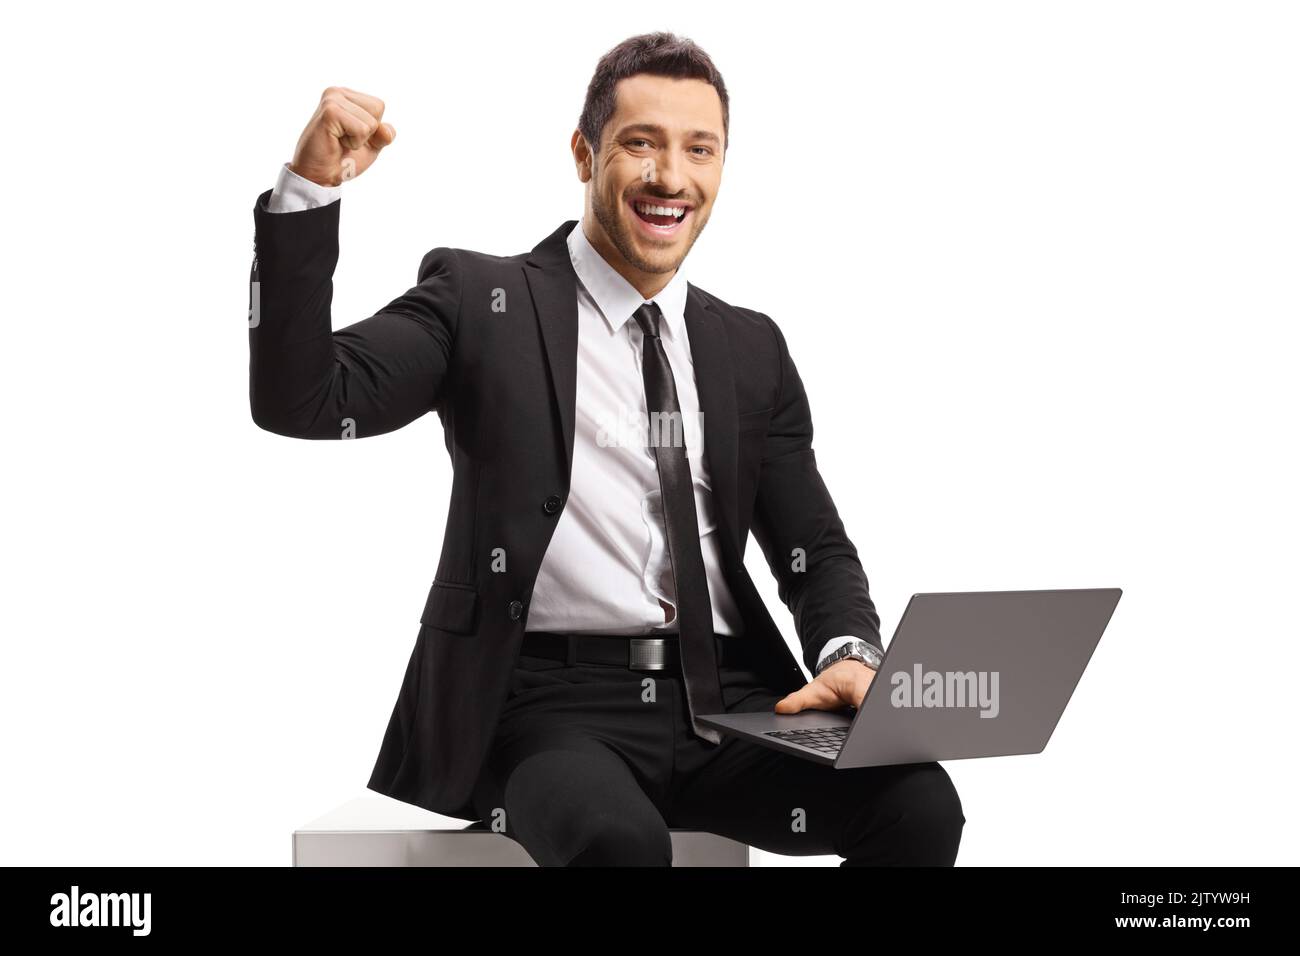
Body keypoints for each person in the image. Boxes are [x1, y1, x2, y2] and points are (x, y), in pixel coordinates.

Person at [248, 31, 964, 866]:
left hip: (729, 700)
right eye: (641, 143)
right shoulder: (484, 301)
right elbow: (304, 398)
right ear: (585, 154)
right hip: (552, 708)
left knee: (918, 806)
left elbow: (816, 548)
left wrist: (848, 651)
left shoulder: (750, 346)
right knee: (615, 845)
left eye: (700, 149)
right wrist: (309, 190)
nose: (672, 177)